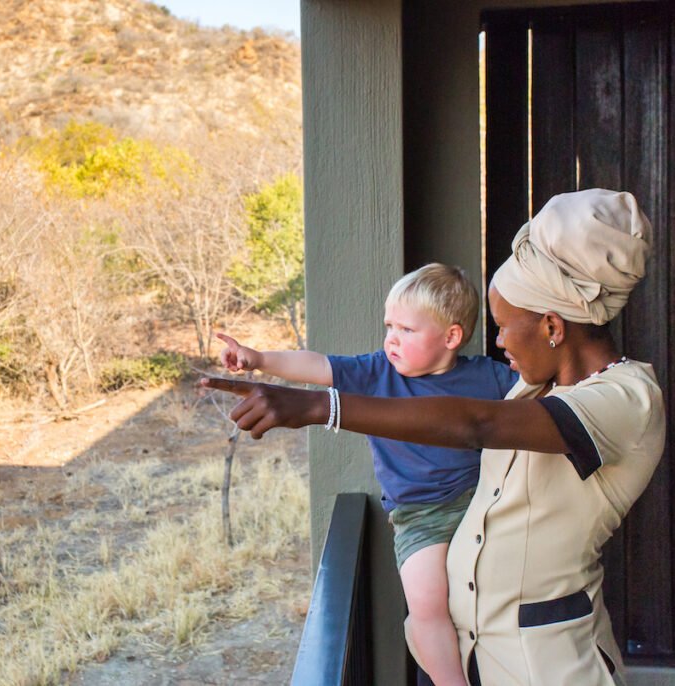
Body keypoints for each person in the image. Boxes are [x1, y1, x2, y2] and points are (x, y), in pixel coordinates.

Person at [202, 188, 665, 686]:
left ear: (552, 325)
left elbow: (475, 423)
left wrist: (322, 407)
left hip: (542, 666)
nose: (499, 341)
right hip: (467, 653)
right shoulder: (535, 384)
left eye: (504, 327)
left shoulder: (626, 399)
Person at [215, 263, 516, 686]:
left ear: (451, 337)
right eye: (389, 326)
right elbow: (317, 365)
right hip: (421, 516)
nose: (391, 338)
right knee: (426, 604)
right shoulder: (377, 372)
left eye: (406, 330)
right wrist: (260, 359)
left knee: (503, 591)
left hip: (483, 505)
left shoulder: (487, 377)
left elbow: (541, 395)